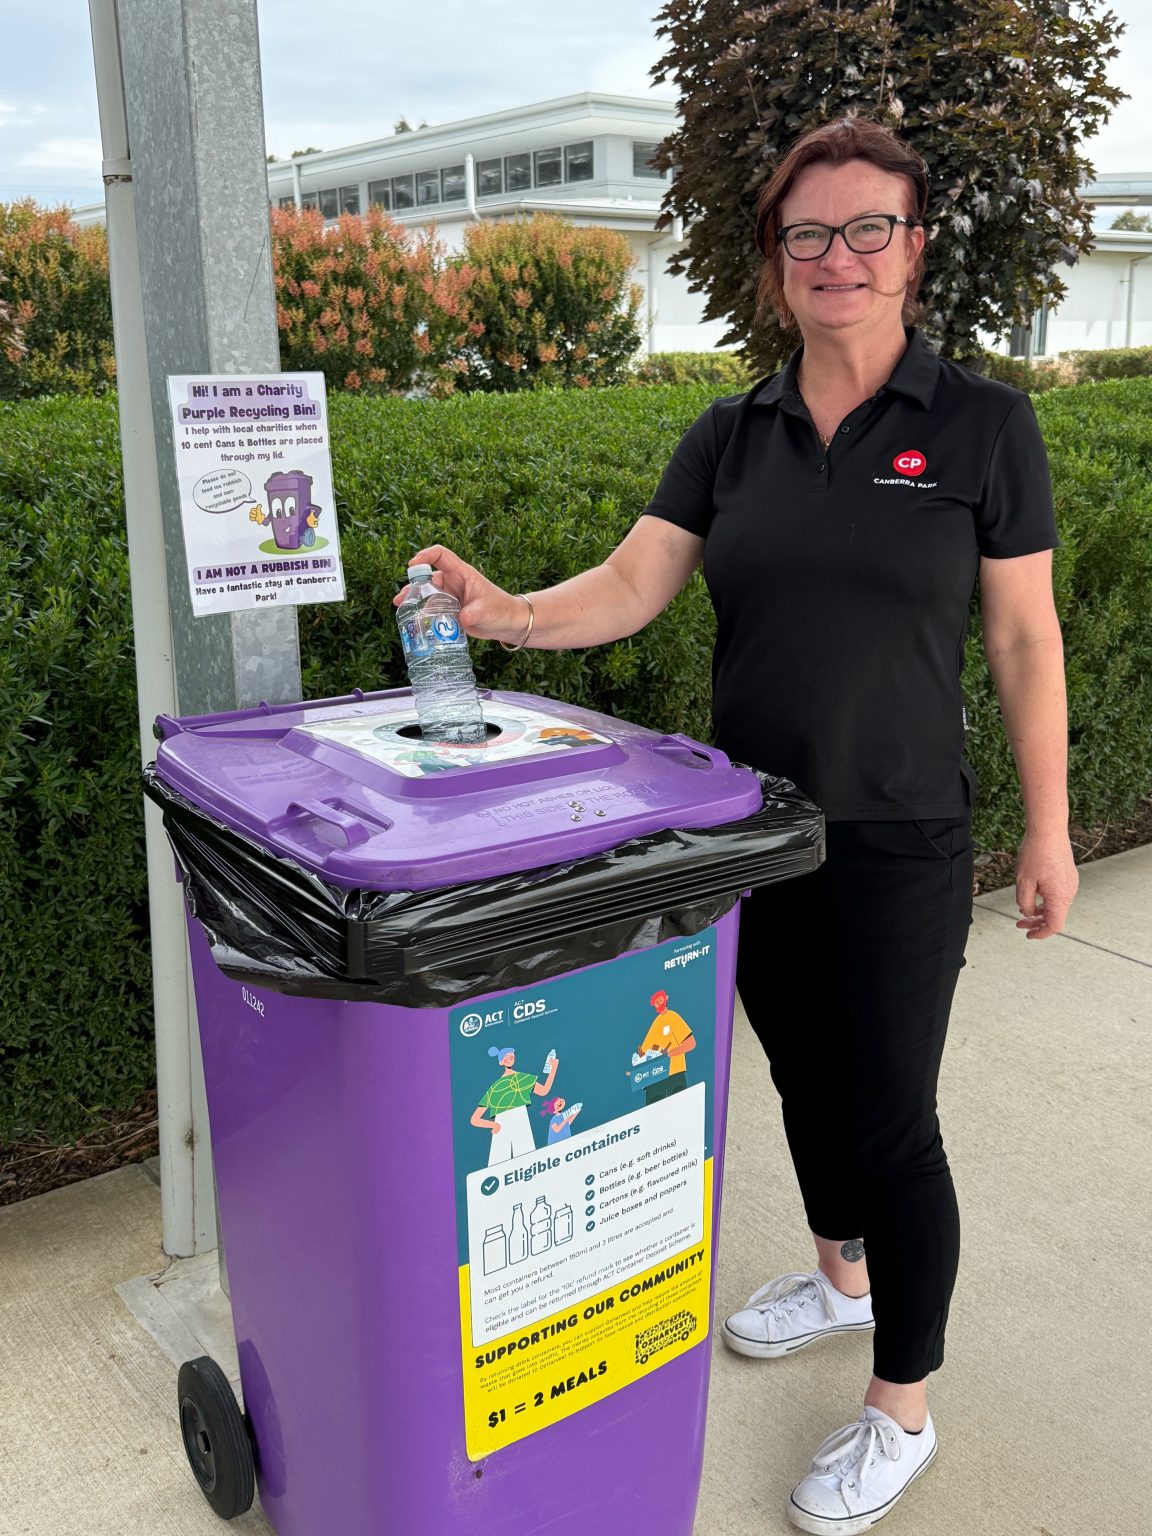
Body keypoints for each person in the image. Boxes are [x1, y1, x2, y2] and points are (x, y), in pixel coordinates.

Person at [396, 116, 1078, 1533]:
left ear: (914, 248)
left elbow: (1025, 640)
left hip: (900, 832)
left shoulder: (983, 427)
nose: (838, 256)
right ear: (776, 261)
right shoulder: (733, 431)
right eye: (807, 234)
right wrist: (502, 613)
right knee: (799, 1081)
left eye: (868, 228)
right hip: (751, 830)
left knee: (891, 1118)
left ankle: (903, 1405)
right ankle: (841, 1279)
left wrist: (1049, 828)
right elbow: (630, 585)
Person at [470, 1045, 559, 1166]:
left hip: (521, 1119)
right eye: (506, 1056)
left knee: (528, 1161)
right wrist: (494, 1125)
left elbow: (543, 1091)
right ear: (501, 1062)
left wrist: (553, 1068)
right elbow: (475, 1119)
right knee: (498, 1163)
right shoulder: (494, 1088)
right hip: (501, 1123)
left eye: (512, 1056)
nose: (510, 1058)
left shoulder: (522, 1078)